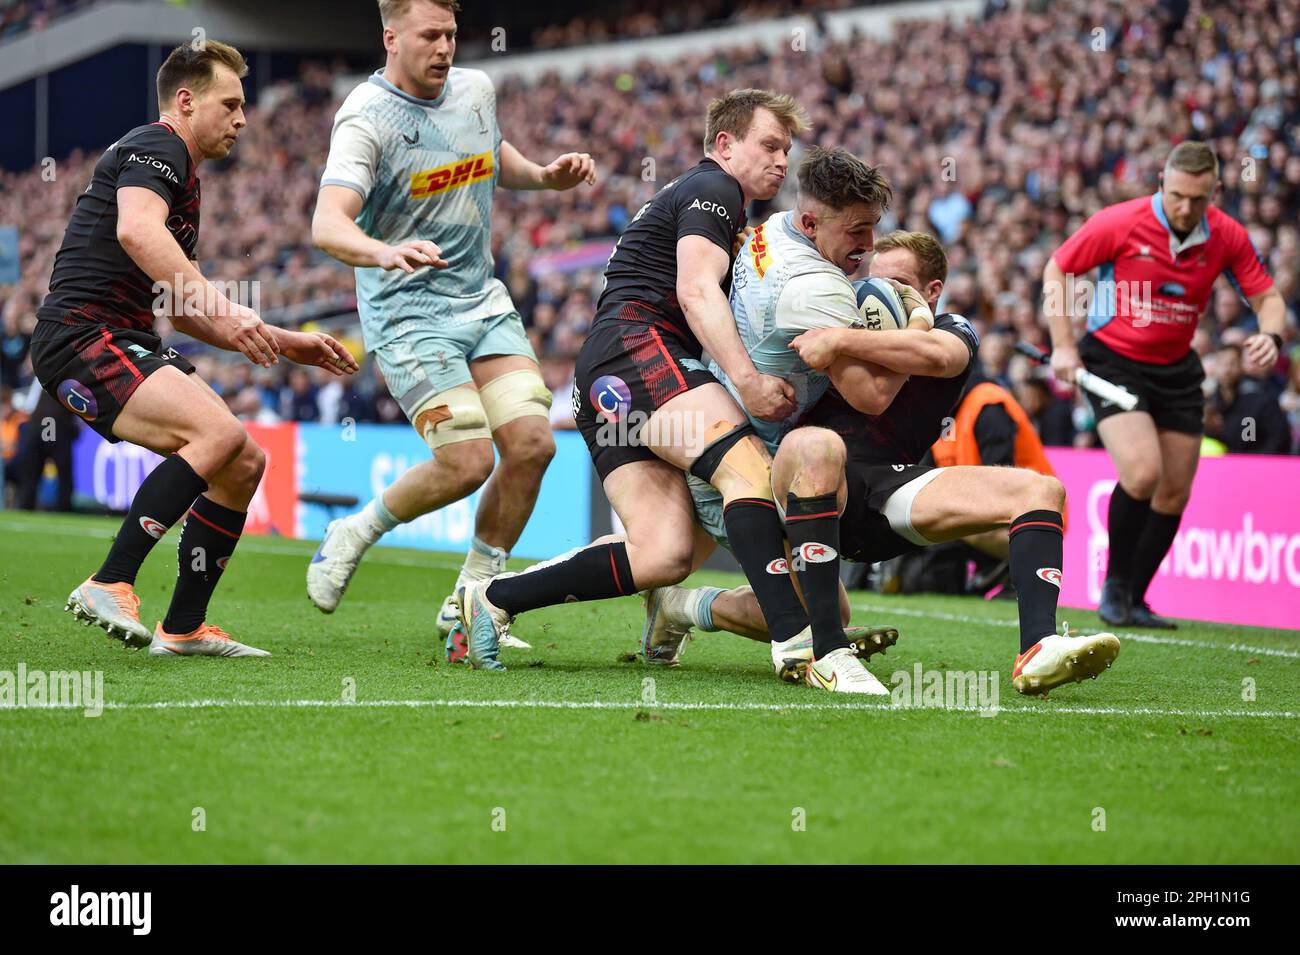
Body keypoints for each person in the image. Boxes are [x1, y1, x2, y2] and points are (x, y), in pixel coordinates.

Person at [662, 230, 1121, 697]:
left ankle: (1037, 648)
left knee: (1042, 491)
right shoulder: (829, 310)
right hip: (801, 485)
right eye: (872, 281)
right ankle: (828, 654)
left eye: (898, 284)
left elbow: (937, 356)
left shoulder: (948, 329)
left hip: (885, 489)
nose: (875, 296)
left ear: (933, 292)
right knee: (818, 450)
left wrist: (850, 338)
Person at [457, 89, 812, 671]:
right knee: (748, 468)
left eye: (787, 150)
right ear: (724, 144)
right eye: (769, 145)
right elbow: (694, 291)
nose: (781, 160)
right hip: (639, 350)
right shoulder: (715, 188)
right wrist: (748, 383)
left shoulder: (699, 197)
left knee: (662, 554)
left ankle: (493, 599)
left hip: (604, 375)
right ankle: (800, 643)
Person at [31, 40, 358, 657]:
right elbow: (135, 230)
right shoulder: (159, 145)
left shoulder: (185, 178)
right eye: (230, 104)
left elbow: (180, 306)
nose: (242, 118)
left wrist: (287, 344)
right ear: (186, 101)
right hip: (83, 335)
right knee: (217, 436)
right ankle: (110, 579)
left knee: (243, 463)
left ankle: (182, 627)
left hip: (119, 335)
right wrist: (226, 306)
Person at [305, 0, 595, 660]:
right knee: (467, 460)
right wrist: (382, 251)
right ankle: (353, 530)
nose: (445, 47)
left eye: (452, 35)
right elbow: (327, 223)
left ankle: (472, 595)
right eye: (430, 35)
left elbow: (492, 156)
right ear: (391, 38)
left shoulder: (475, 90)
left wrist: (543, 178)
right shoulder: (365, 118)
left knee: (532, 445)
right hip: (408, 314)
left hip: (480, 302)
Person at [647, 146, 925, 693]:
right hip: (741, 468)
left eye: (873, 229)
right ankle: (683, 607)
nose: (869, 247)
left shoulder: (772, 228)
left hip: (720, 431)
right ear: (812, 221)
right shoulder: (815, 289)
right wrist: (917, 324)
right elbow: (871, 396)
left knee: (823, 601)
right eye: (856, 231)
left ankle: (683, 604)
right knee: (824, 614)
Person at [1044, 141, 1286, 629]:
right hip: (1113, 359)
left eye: (1198, 199)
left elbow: (1268, 297)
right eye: (1177, 195)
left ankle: (1135, 596)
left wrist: (1272, 334)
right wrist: (1064, 344)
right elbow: (1059, 267)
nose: (1185, 207)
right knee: (1142, 473)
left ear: (1215, 192)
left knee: (1175, 491)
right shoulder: (1121, 221)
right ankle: (1114, 588)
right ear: (1161, 183)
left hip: (1177, 367)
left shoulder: (1226, 234)